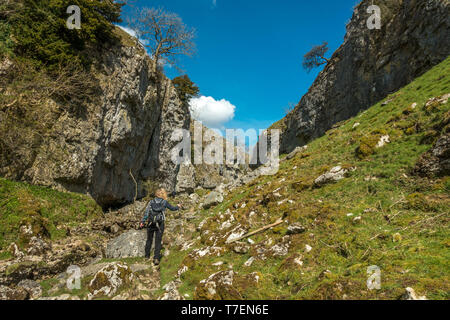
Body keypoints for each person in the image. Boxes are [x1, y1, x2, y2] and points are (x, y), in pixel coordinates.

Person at [139, 188, 182, 265]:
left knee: (149, 240)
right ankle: (156, 258)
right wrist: (178, 206)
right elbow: (172, 208)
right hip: (160, 223)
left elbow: (146, 212)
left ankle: (147, 256)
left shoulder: (151, 202)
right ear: (162, 194)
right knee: (158, 241)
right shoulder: (164, 202)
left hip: (151, 222)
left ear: (156, 194)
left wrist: (142, 221)